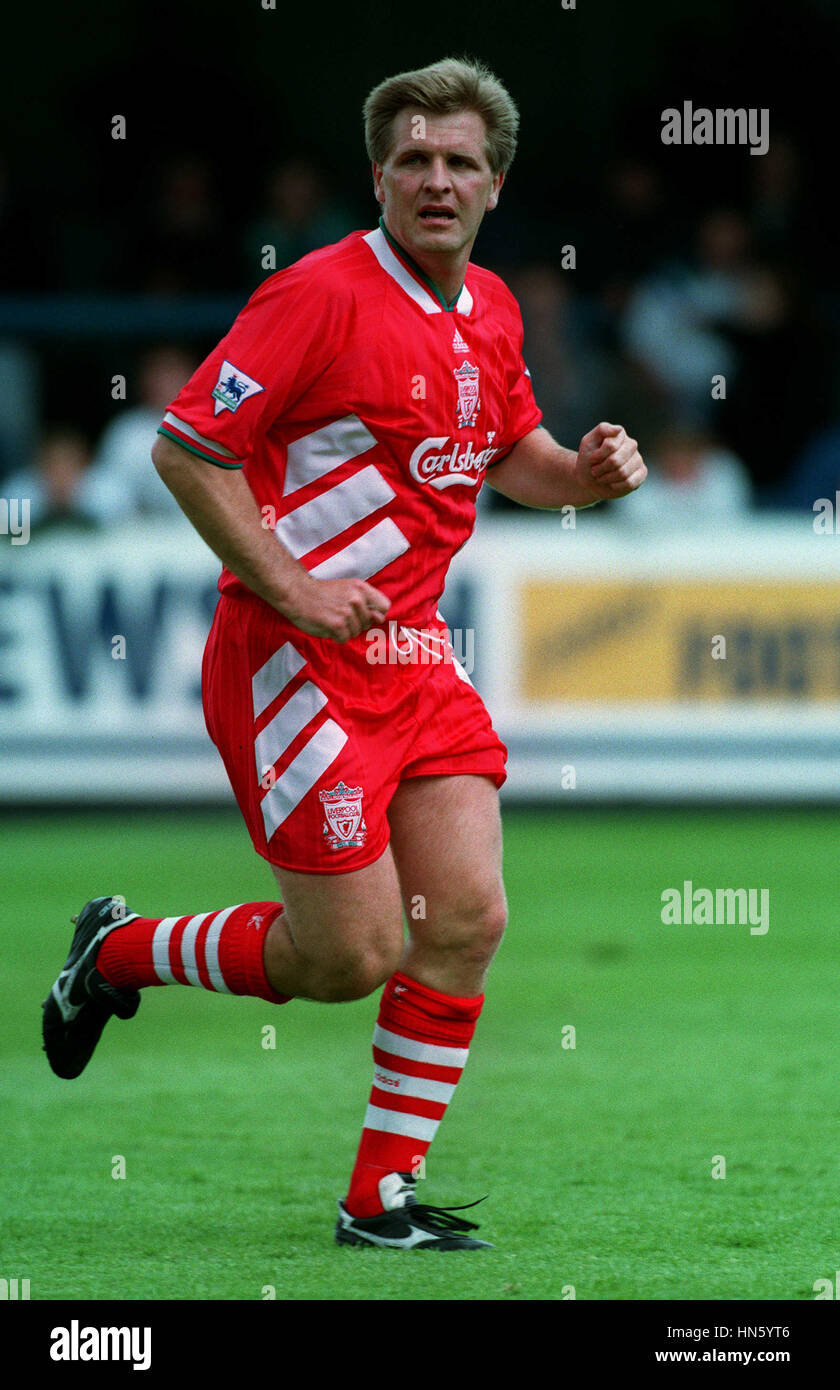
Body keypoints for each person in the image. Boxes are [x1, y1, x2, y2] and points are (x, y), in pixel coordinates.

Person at [42, 57, 646, 1251]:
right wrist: (297, 587)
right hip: (291, 661)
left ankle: (378, 1202)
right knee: (348, 956)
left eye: (459, 162)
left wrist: (577, 475)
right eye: (413, 159)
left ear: (495, 185)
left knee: (467, 915)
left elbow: (508, 445)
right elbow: (187, 447)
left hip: (417, 658)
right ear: (378, 176)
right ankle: (114, 953)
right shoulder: (316, 295)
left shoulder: (495, 310)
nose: (436, 179)